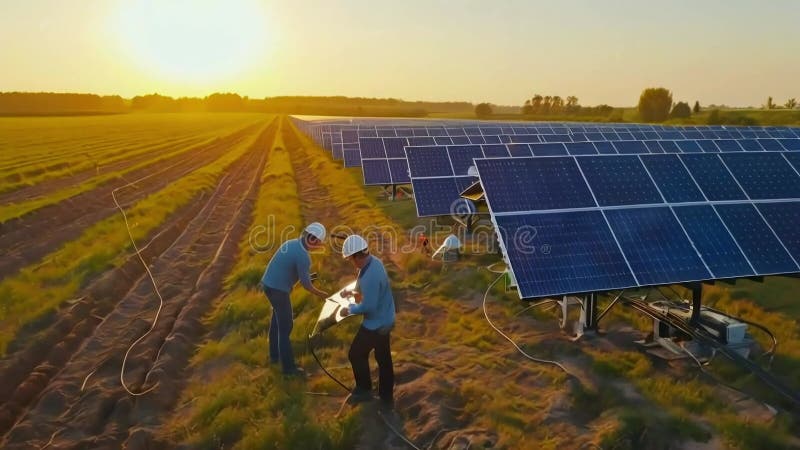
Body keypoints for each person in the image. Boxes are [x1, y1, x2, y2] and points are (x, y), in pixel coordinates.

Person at [261, 222, 329, 376]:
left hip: (268, 285)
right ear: (315, 240)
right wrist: (322, 294)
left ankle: (274, 357)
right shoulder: (303, 257)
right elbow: (306, 285)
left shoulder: (291, 243)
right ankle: (289, 369)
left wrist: (307, 277)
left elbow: (289, 271)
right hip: (278, 291)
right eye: (319, 243)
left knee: (276, 323)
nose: (318, 246)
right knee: (286, 328)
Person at [340, 235, 396, 407]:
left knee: (356, 354)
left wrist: (349, 309)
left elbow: (369, 306)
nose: (352, 262)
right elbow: (364, 282)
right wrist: (352, 292)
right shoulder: (374, 262)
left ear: (357, 256)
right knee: (383, 357)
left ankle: (364, 389)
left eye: (351, 259)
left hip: (376, 323)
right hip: (387, 318)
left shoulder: (369, 276)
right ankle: (386, 397)